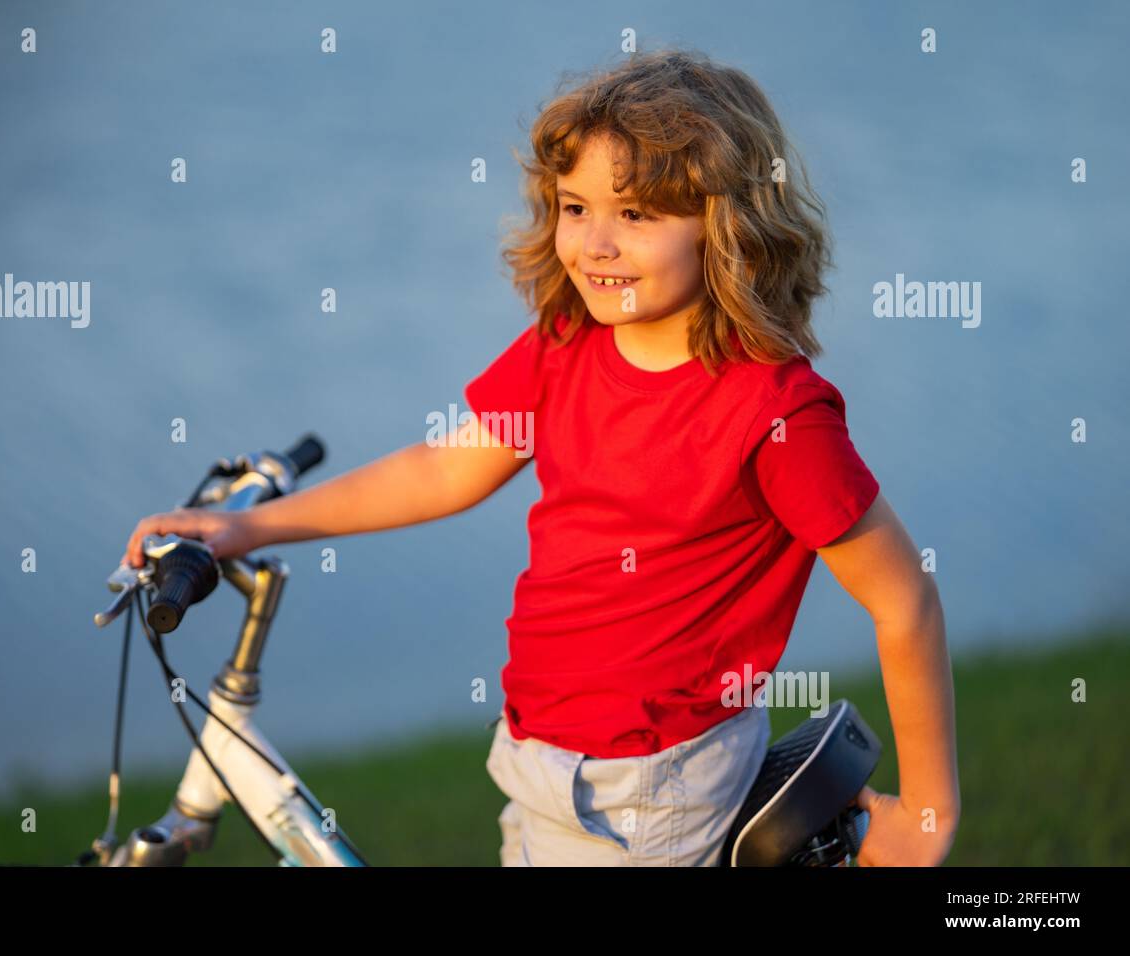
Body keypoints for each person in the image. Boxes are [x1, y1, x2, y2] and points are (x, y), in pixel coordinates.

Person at [123, 49, 960, 867]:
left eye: (636, 215)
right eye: (574, 206)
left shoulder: (775, 412)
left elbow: (903, 599)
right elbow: (440, 471)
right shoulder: (565, 346)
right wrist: (243, 527)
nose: (596, 242)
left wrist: (926, 815)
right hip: (537, 755)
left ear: (726, 221)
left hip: (649, 788)